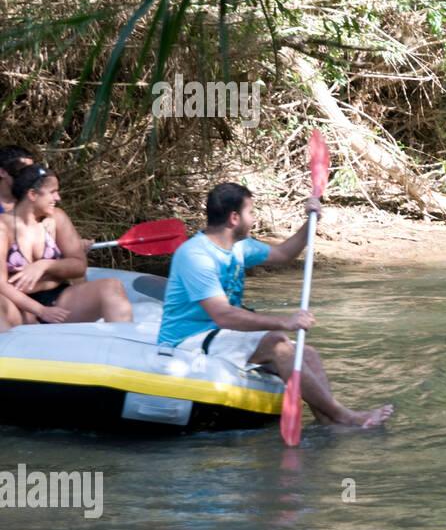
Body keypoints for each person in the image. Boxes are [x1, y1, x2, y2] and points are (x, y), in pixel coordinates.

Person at [158, 182, 393, 428]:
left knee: (308, 354)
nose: (255, 218)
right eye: (251, 212)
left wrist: (311, 221)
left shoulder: (239, 246)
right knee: (278, 344)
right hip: (188, 339)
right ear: (234, 217)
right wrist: (284, 323)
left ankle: (329, 424)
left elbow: (283, 255)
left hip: (222, 334)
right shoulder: (195, 255)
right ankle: (346, 416)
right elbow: (223, 315)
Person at [0, 164, 133, 327]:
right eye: (52, 192)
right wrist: (40, 311)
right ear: (33, 194)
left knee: (111, 286)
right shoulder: (3, 227)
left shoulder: (57, 218)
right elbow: (1, 283)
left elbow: (78, 265)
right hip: (18, 306)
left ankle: (119, 345)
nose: (58, 198)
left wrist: (45, 265)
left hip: (58, 299)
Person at [0, 145, 34, 214]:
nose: (29, 176)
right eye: (22, 171)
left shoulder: (34, 200)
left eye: (31, 171)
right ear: (2, 172)